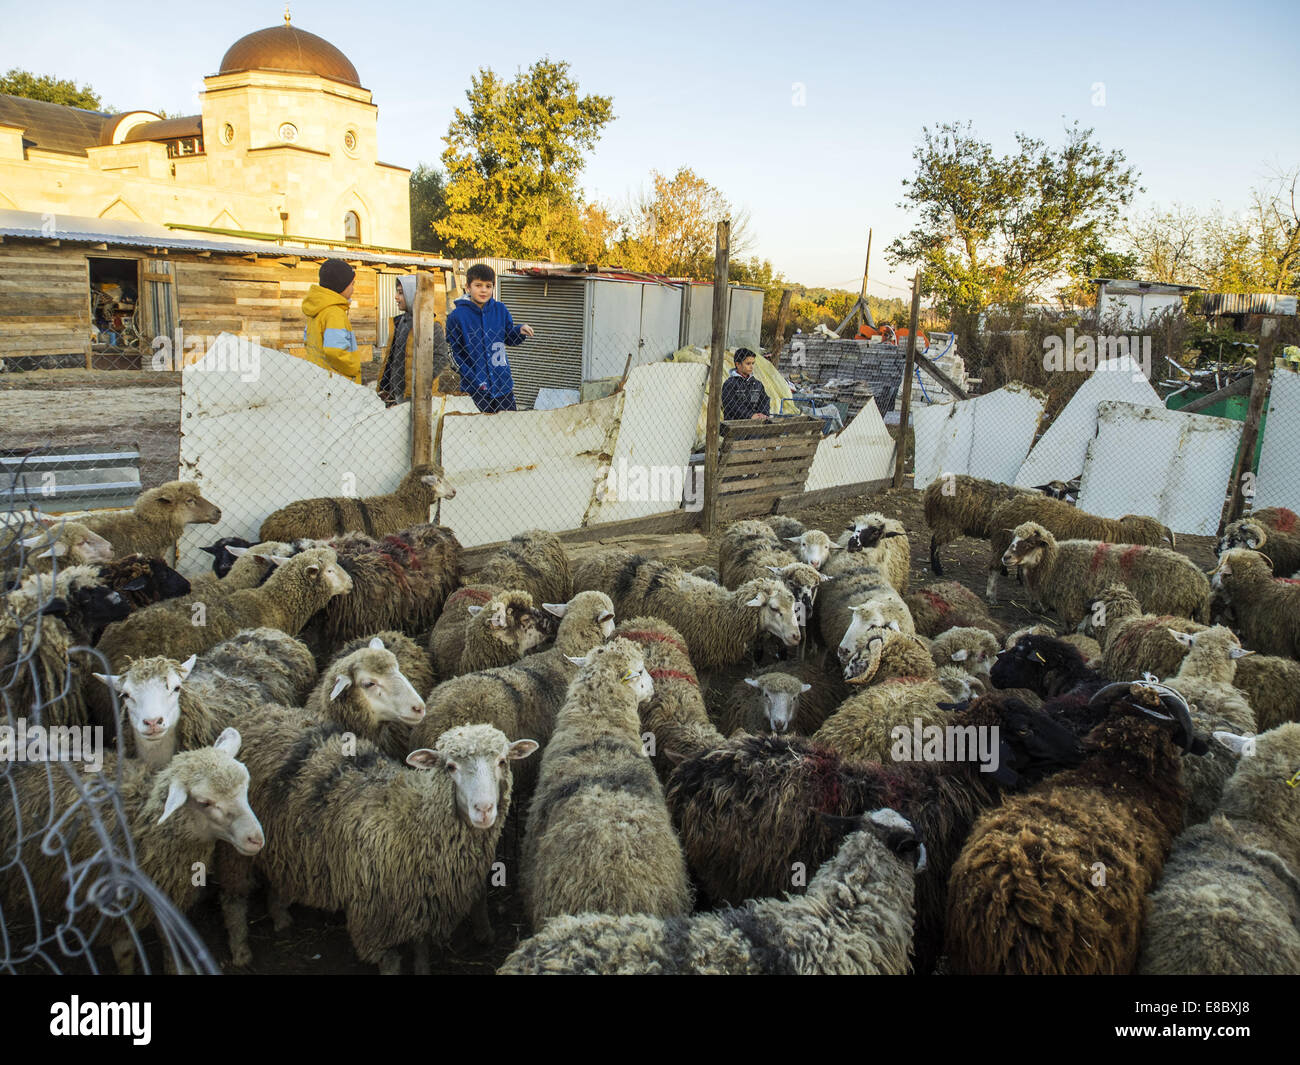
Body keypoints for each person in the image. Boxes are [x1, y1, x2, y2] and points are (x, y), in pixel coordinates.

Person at [445, 263, 534, 413]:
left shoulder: (500, 310)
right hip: (474, 390)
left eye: (488, 286)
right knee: (477, 431)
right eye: (478, 285)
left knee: (508, 428)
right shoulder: (457, 316)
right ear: (468, 287)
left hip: (502, 386)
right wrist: (473, 379)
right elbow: (453, 353)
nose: (484, 290)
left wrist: (519, 331)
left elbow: (509, 337)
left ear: (493, 287)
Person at [377, 274, 451, 406]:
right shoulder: (400, 322)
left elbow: (440, 357)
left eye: (401, 293)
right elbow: (392, 358)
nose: (396, 297)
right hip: (398, 392)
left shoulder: (431, 325)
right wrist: (387, 385)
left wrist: (420, 382)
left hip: (420, 395)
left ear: (413, 294)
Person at [301, 258, 360, 383]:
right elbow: (335, 351)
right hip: (337, 381)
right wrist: (353, 368)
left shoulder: (317, 309)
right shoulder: (335, 313)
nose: (353, 289)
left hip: (318, 375)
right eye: (352, 284)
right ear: (341, 285)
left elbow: (307, 340)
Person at [721, 348, 772, 421]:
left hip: (756, 423)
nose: (751, 367)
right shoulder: (730, 384)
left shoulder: (757, 384)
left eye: (752, 363)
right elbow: (731, 405)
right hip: (735, 425)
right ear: (738, 364)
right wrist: (750, 415)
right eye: (748, 363)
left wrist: (763, 414)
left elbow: (764, 400)